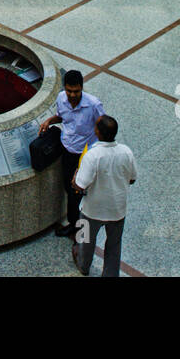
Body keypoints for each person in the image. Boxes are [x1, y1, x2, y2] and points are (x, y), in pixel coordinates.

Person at [38, 70, 105, 238]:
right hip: (67, 150)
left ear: (82, 88)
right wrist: (49, 121)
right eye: (69, 91)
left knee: (80, 194)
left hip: (85, 156)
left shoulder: (93, 105)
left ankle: (81, 232)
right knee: (69, 189)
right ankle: (73, 224)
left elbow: (103, 128)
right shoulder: (61, 98)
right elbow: (62, 118)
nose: (72, 95)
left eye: (76, 91)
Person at [72, 114, 137, 277]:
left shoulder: (92, 155)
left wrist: (74, 178)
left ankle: (83, 265)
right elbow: (132, 178)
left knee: (84, 239)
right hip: (117, 209)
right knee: (114, 245)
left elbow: (80, 185)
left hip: (91, 210)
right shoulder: (126, 152)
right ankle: (110, 273)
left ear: (98, 133)